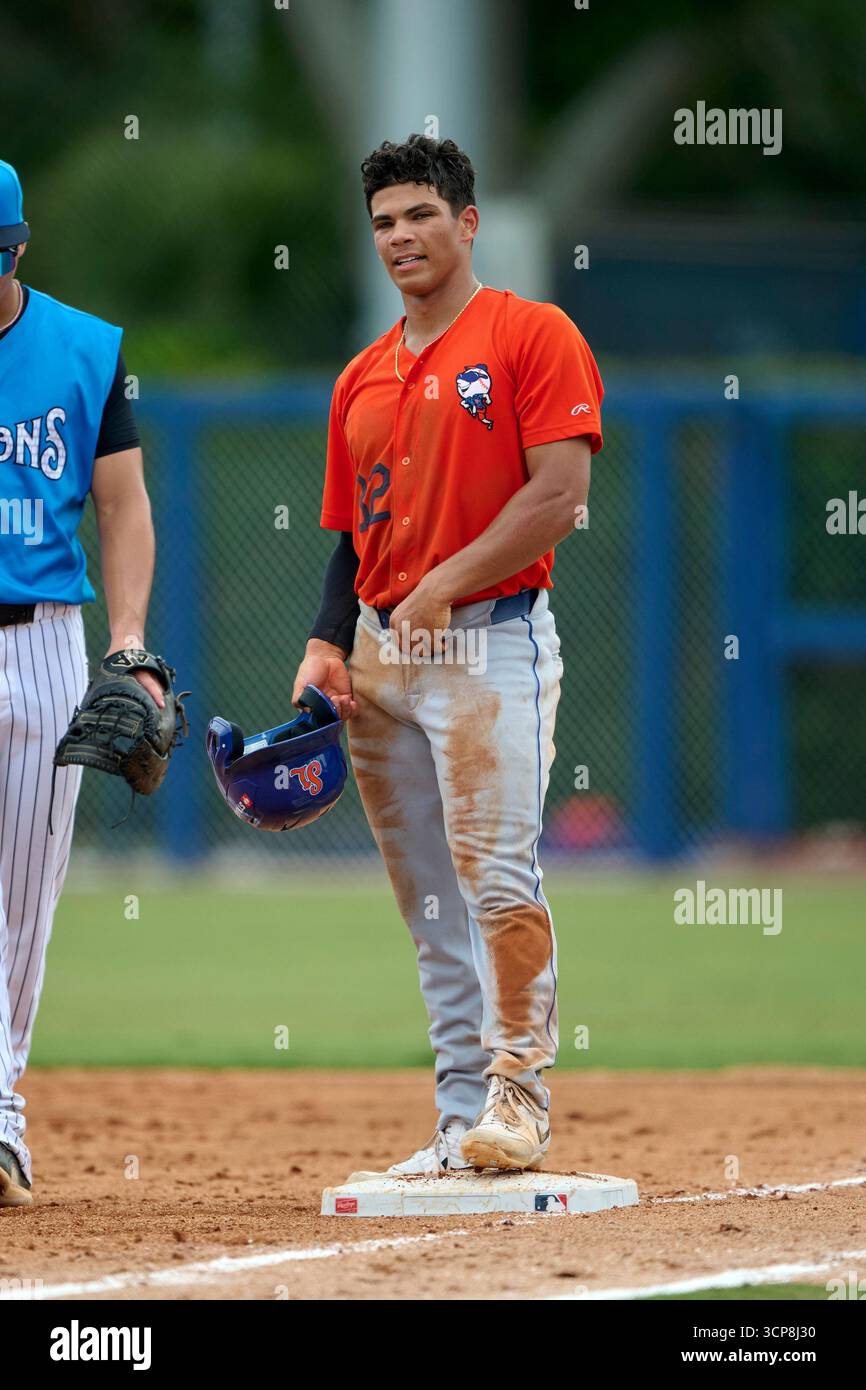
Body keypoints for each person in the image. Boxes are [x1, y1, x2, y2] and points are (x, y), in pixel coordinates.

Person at [291, 134, 603, 1175]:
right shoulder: (361, 378)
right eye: (383, 220)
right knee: (427, 899)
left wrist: (441, 584)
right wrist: (327, 643)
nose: (400, 236)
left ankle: (517, 1096)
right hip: (383, 656)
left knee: (495, 879)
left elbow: (557, 497)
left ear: (466, 222)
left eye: (420, 213)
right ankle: (455, 1116)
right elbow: (353, 534)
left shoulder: (529, 334)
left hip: (488, 641)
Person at [0, 158, 161, 1207]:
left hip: (43, 642)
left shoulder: (84, 349)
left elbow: (123, 507)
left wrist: (129, 645)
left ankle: (0, 1119)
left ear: (13, 249)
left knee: (21, 903)